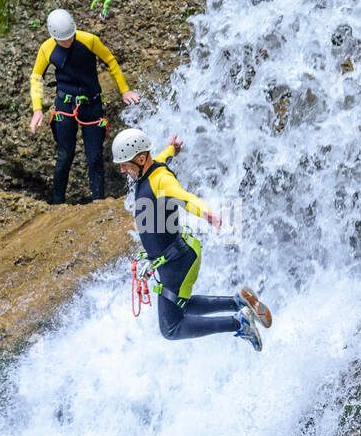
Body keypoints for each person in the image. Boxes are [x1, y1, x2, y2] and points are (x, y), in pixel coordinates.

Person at [111, 127, 272, 350]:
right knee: (181, 305)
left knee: (171, 328)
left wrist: (207, 214)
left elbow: (186, 198)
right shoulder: (149, 167)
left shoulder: (161, 179)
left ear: (140, 158)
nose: (121, 169)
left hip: (178, 260)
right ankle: (239, 302)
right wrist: (172, 149)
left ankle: (239, 322)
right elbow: (162, 156)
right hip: (178, 254)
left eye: (125, 164)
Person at [29, 8, 141, 204]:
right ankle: (57, 203)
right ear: (54, 36)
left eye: (70, 36)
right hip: (64, 106)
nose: (68, 41)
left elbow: (110, 62)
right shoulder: (47, 48)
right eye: (63, 39)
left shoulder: (89, 40)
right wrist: (37, 109)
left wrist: (125, 90)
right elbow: (36, 77)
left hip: (92, 104)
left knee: (95, 157)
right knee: (65, 155)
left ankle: (98, 202)